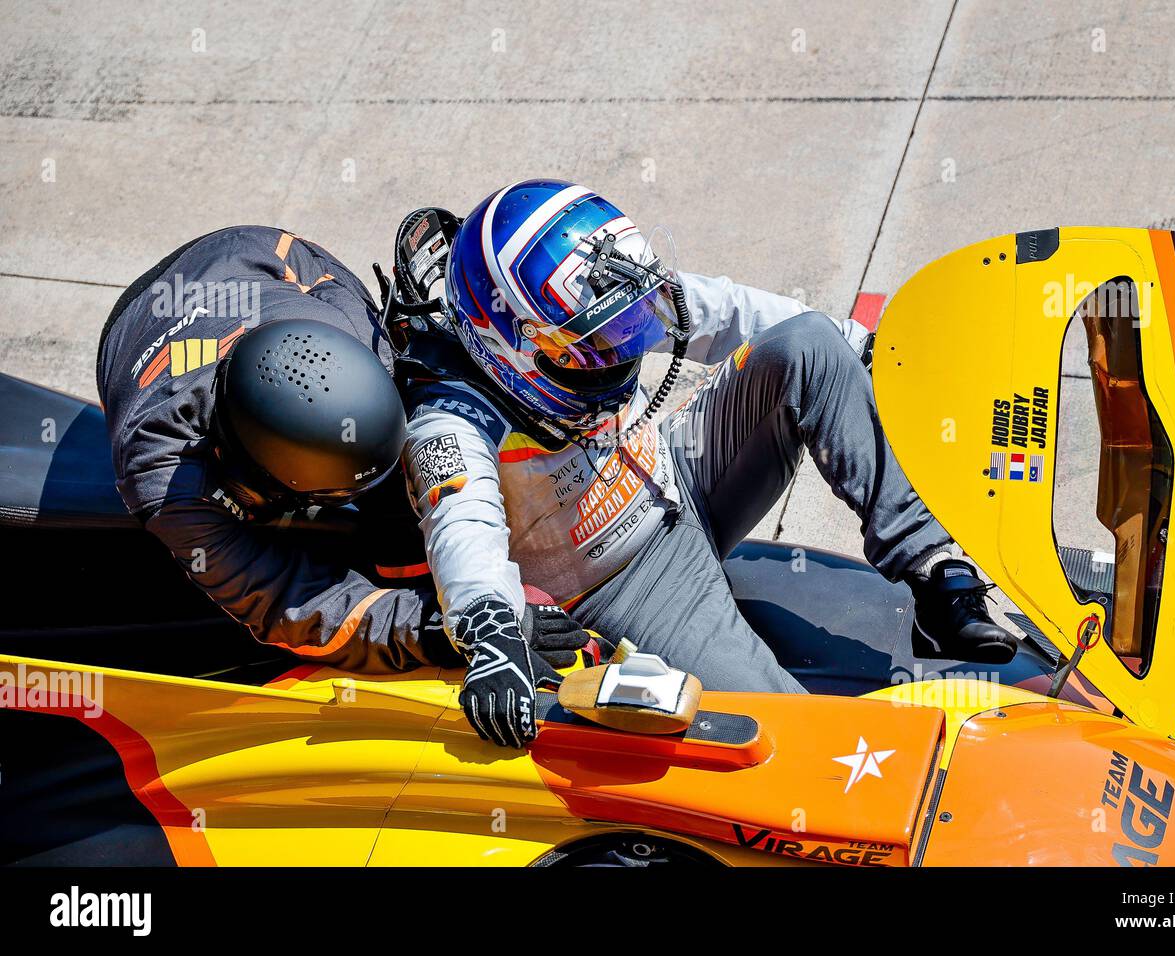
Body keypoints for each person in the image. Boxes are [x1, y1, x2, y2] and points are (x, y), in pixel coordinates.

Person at [394, 181, 1018, 749]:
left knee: (808, 344)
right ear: (508, 342)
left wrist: (869, 352)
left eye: (627, 332)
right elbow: (461, 524)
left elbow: (722, 311)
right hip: (626, 584)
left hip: (679, 475)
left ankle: (934, 568)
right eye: (598, 350)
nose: (625, 354)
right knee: (806, 741)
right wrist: (490, 636)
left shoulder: (585, 301)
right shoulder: (447, 419)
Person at [97, 224, 588, 675]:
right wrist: (434, 633)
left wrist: (464, 589)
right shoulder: (165, 477)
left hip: (256, 254)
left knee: (398, 510)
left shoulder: (356, 335)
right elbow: (283, 605)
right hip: (132, 325)